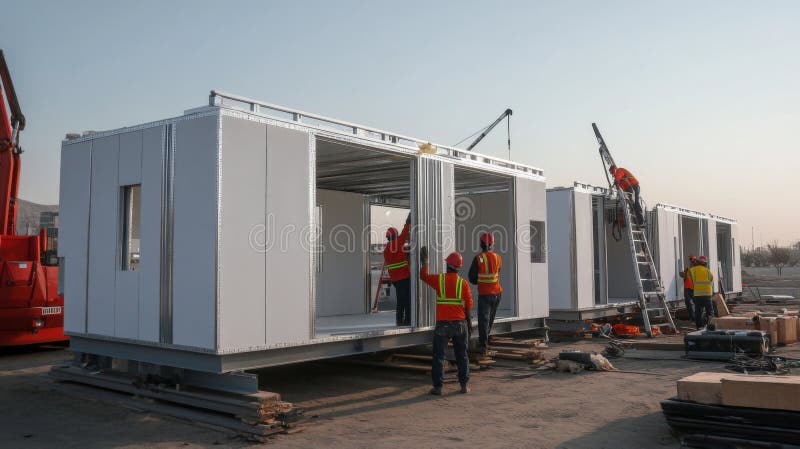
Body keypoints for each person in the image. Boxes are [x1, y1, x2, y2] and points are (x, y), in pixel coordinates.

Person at [420, 248, 473, 395]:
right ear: (458, 267)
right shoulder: (463, 284)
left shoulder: (440, 280)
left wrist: (424, 262)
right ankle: (463, 386)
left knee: (439, 356)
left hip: (443, 324)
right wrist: (469, 324)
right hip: (460, 324)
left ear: (448, 265)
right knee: (462, 355)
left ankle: (438, 387)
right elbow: (468, 307)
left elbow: (423, 276)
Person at [468, 232, 502, 353]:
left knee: (484, 319)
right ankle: (485, 340)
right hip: (497, 293)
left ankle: (483, 345)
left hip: (485, 294)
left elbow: (471, 277)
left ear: (481, 244)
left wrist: (480, 281)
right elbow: (497, 272)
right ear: (492, 244)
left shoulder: (479, 258)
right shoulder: (498, 257)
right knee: (490, 318)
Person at [384, 213, 412, 326]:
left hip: (395, 280)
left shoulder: (386, 250)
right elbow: (405, 232)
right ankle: (408, 320)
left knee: (400, 300)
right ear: (395, 235)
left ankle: (399, 320)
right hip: (404, 277)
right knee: (407, 300)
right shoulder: (398, 242)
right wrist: (408, 221)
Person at [689, 255, 715, 329]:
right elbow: (712, 279)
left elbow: (688, 275)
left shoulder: (693, 270)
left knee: (698, 312)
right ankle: (709, 326)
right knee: (709, 312)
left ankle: (699, 327)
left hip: (698, 295)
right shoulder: (708, 271)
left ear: (698, 262)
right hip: (707, 295)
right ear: (705, 263)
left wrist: (693, 262)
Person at [678, 255, 697, 321]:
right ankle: (692, 318)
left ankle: (696, 317)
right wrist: (683, 273)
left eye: (693, 261)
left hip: (695, 289)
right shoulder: (687, 269)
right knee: (688, 304)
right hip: (687, 289)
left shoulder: (696, 270)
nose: (691, 262)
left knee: (696, 304)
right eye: (691, 261)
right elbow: (682, 275)